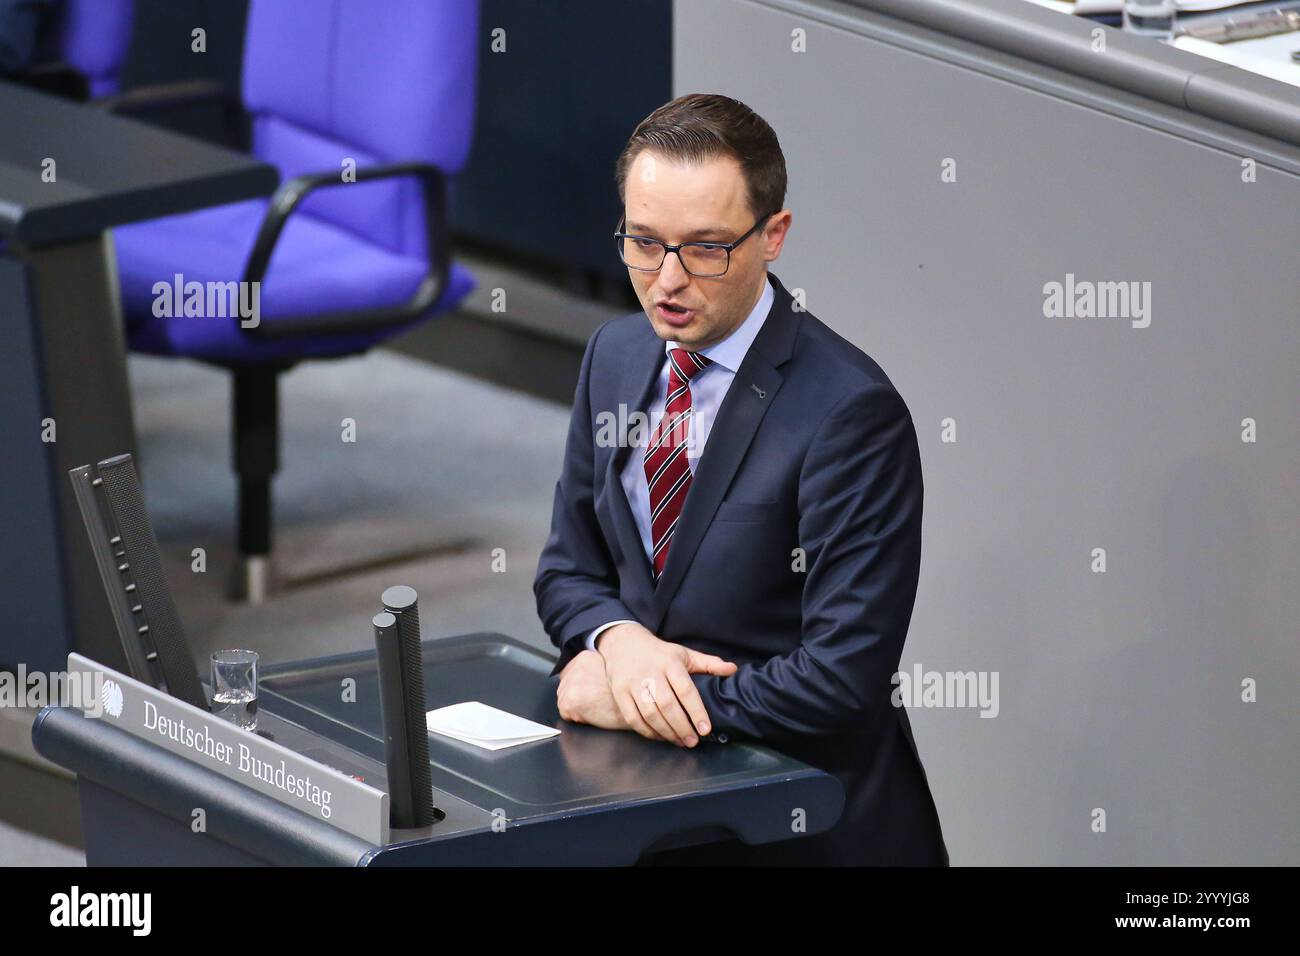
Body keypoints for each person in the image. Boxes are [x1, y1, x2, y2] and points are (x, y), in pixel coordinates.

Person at [533, 92, 948, 865]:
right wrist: (620, 640)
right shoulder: (614, 356)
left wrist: (635, 703)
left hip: (804, 825)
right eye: (644, 243)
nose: (668, 280)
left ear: (774, 236)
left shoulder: (850, 413)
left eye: (706, 248)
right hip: (650, 816)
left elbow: (839, 680)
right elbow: (568, 570)